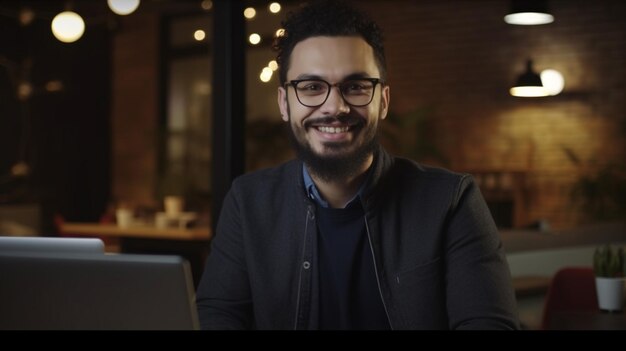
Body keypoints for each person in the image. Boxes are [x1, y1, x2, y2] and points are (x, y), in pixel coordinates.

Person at [196, 0, 520, 330]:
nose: (335, 106)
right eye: (311, 87)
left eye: (355, 87)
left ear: (383, 101)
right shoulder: (248, 201)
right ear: (284, 102)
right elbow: (218, 317)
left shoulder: (451, 201)